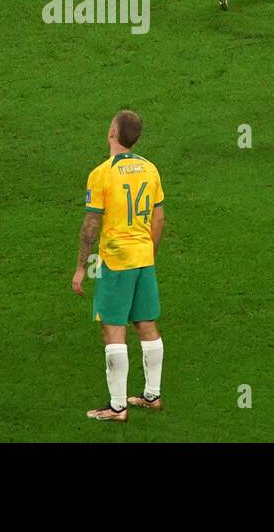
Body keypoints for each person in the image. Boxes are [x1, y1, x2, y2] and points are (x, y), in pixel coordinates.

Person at [72, 111, 166, 421]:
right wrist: (147, 252)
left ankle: (117, 407)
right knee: (146, 324)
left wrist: (82, 267)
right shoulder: (150, 169)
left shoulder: (102, 174)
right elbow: (159, 217)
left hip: (115, 260)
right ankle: (152, 396)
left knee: (113, 330)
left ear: (113, 132)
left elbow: (90, 226)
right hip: (143, 259)